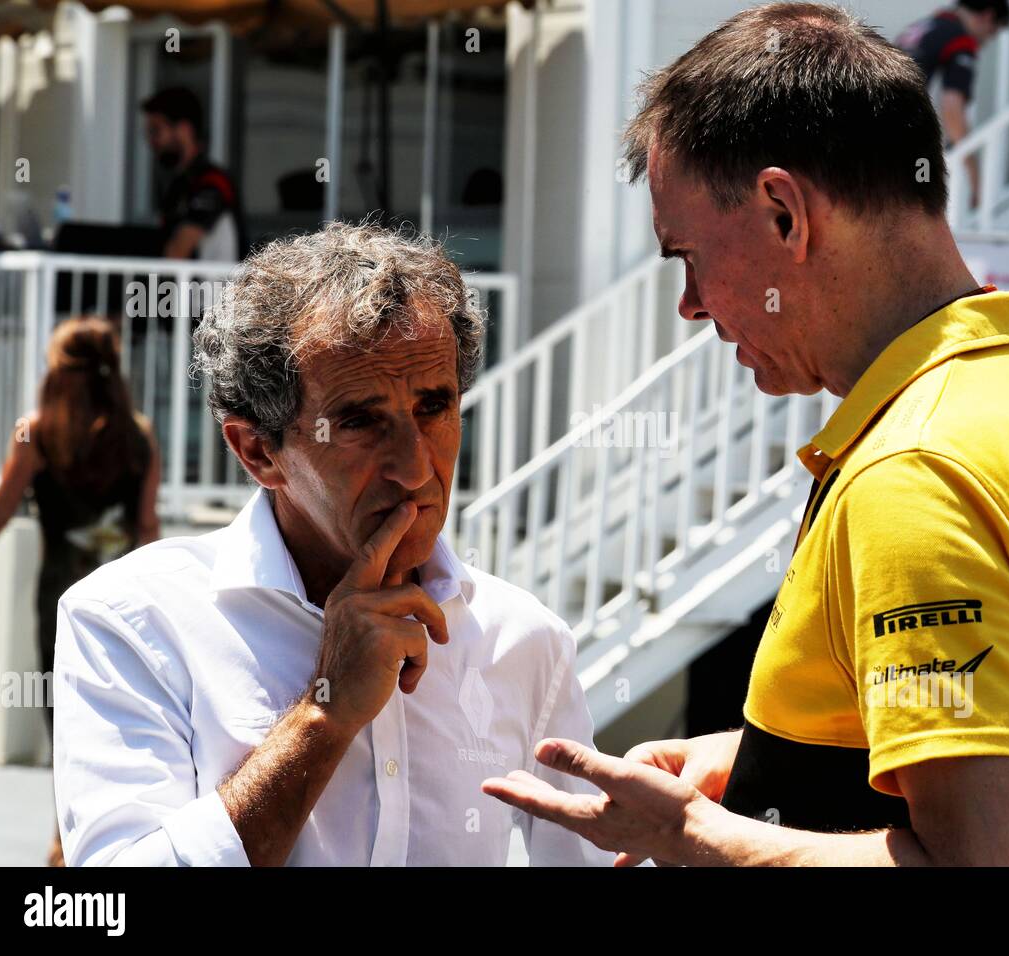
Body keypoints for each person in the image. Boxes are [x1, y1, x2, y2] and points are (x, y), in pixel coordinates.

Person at [481, 2, 1009, 867]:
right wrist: (749, 764)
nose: (690, 304)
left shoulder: (915, 473)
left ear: (783, 215)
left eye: (685, 253)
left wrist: (686, 832)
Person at [51, 221, 617, 866]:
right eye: (359, 421)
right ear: (258, 452)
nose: (415, 466)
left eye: (435, 406)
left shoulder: (526, 641)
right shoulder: (135, 623)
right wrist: (323, 714)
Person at [0, 316, 160, 866]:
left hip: (60, 599)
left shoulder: (38, 432)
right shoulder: (138, 434)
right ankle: (110, 841)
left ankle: (66, 838)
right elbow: (147, 526)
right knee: (127, 716)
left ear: (56, 370)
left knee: (62, 716)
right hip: (125, 600)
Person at [897, 0, 1009, 206]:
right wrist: (975, 177)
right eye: (992, 32)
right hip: (901, 139)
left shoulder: (925, 25)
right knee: (922, 210)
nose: (986, 41)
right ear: (987, 16)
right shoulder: (960, 40)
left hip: (869, 126)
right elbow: (953, 110)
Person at [140, 87, 242, 261]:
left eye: (155, 130)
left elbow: (176, 253)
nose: (151, 141)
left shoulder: (213, 182)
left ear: (184, 130)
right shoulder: (178, 185)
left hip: (218, 288)